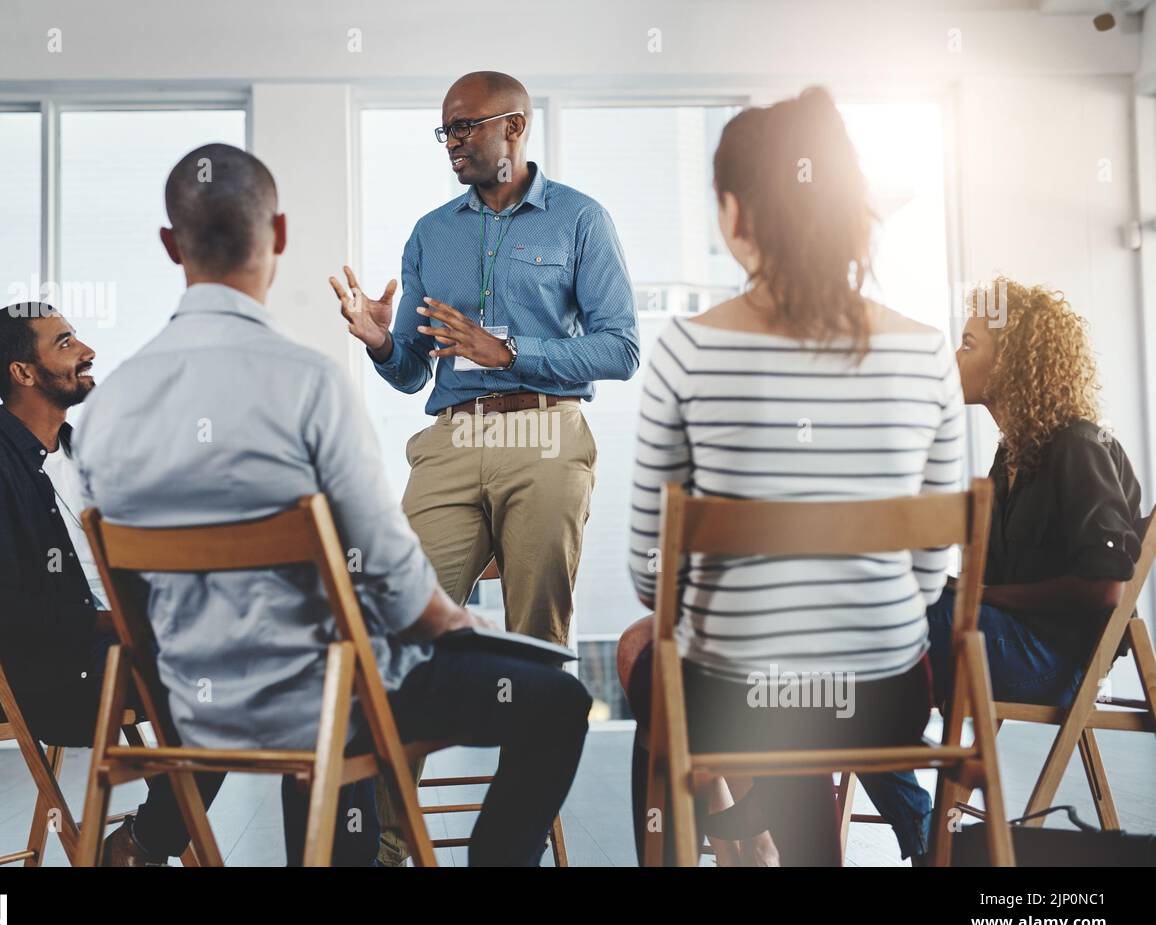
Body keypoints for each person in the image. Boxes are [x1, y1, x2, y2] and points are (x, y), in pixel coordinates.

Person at [74, 143, 592, 867]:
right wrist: (462, 624)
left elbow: (117, 590)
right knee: (555, 702)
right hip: (327, 702)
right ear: (278, 236)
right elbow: (399, 588)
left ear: (171, 244)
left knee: (339, 684)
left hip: (192, 709)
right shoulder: (308, 385)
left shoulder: (105, 410)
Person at [618, 86, 965, 867]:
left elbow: (651, 575)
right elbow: (932, 571)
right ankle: (773, 843)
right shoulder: (925, 351)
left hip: (735, 697)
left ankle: (728, 841)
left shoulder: (688, 352)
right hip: (887, 699)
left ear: (735, 215)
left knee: (667, 668)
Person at [329, 70, 637, 865]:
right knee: (397, 631)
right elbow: (410, 369)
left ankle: (509, 846)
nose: (454, 143)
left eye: (466, 127)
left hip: (545, 434)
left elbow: (622, 345)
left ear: (516, 128)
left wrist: (514, 351)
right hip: (451, 440)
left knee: (538, 642)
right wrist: (377, 341)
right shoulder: (433, 232)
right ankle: (389, 843)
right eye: (446, 131)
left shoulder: (579, 219)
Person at [858, 277, 1144, 862]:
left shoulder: (1078, 446)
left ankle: (924, 837)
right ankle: (927, 836)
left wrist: (980, 592)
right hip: (1005, 642)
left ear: (1012, 360)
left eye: (967, 343)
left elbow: (1107, 586)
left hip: (1056, 662)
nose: (952, 356)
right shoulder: (1012, 457)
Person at [0, 303, 222, 866]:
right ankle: (140, 848)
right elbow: (8, 613)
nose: (87, 351)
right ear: (23, 372)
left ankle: (141, 845)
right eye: (65, 343)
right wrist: (130, 623)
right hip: (58, 677)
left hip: (131, 653)